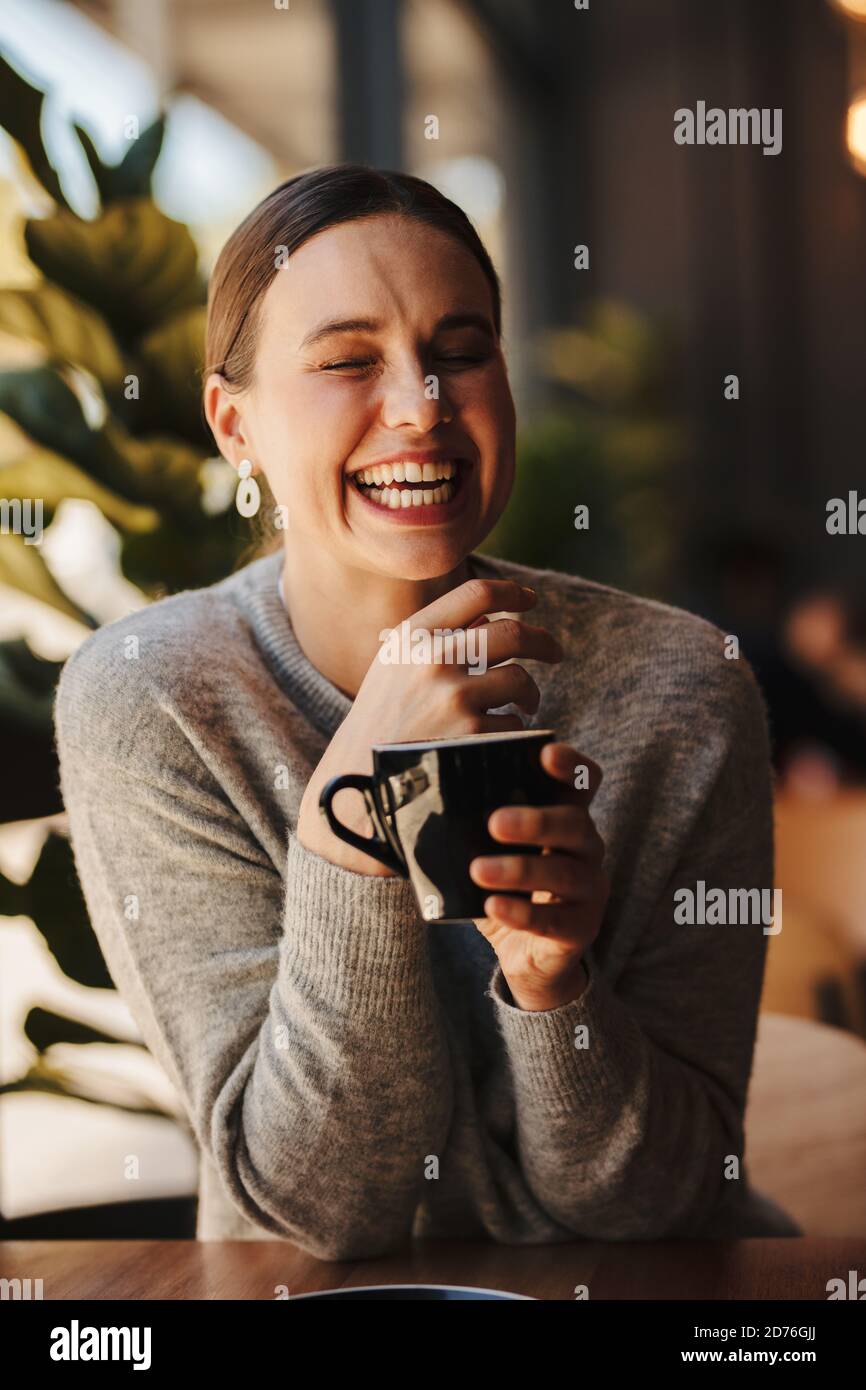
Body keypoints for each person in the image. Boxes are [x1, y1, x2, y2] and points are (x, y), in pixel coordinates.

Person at [54, 165, 799, 1257]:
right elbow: (322, 1211)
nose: (421, 406)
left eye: (461, 350)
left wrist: (553, 988)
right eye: (345, 360)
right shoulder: (155, 698)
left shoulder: (680, 686)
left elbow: (662, 1207)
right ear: (234, 425)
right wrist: (353, 823)